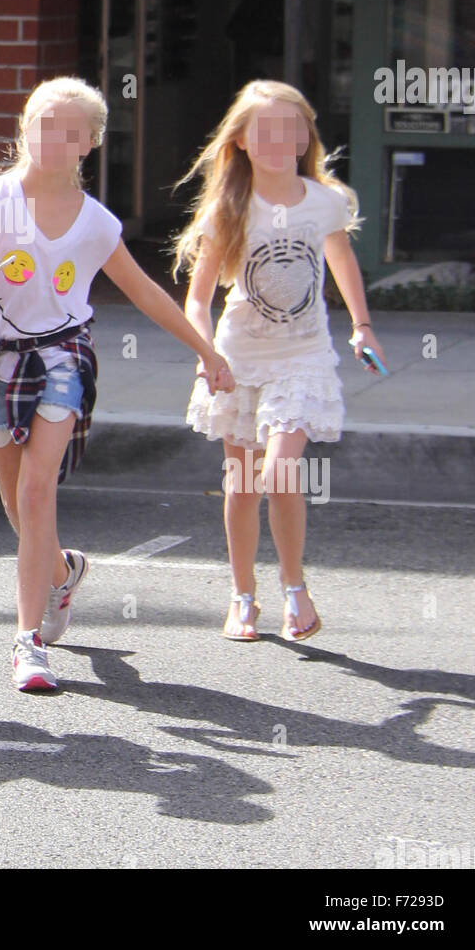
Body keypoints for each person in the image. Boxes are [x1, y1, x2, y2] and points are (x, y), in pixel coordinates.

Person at [0, 78, 233, 692]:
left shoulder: (96, 224)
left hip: (62, 358)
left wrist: (206, 351)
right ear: (25, 128)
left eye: (71, 131)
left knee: (38, 489)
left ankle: (27, 643)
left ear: (90, 145)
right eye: (45, 123)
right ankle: (62, 571)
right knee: (18, 501)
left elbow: (147, 292)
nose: (55, 137)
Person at [173, 80, 387, 644]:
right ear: (240, 141)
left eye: (290, 130)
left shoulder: (325, 201)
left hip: (304, 355)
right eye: (264, 131)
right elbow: (197, 299)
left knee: (281, 469)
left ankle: (295, 587)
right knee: (243, 484)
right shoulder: (231, 207)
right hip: (238, 357)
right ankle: (244, 597)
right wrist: (206, 354)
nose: (278, 140)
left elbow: (342, 262)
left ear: (305, 137)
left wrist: (362, 328)